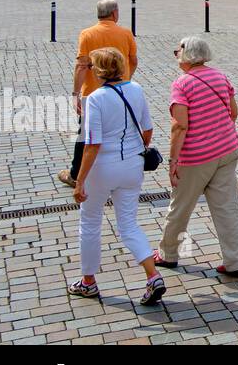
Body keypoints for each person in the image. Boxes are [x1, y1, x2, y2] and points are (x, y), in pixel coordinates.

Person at [69, 47, 166, 306]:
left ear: (98, 71)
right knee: (128, 225)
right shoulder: (136, 89)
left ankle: (88, 281)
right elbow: (148, 130)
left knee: (90, 223)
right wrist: (134, 148)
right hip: (132, 166)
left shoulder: (95, 98)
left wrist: (79, 181)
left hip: (102, 167)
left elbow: (92, 144)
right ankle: (152, 274)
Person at [152, 36, 238, 278]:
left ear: (187, 55)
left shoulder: (182, 84)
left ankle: (168, 254)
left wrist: (173, 161)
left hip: (196, 158)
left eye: (178, 51)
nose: (176, 55)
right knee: (227, 209)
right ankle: (235, 262)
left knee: (180, 207)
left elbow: (179, 126)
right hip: (227, 150)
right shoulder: (220, 76)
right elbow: (233, 113)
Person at [59, 0, 137, 189]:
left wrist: (75, 93)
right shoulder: (126, 33)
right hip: (121, 91)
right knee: (118, 130)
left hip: (92, 92)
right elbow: (133, 60)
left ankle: (76, 174)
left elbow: (81, 66)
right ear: (115, 13)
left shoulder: (87, 34)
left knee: (85, 134)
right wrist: (126, 77)